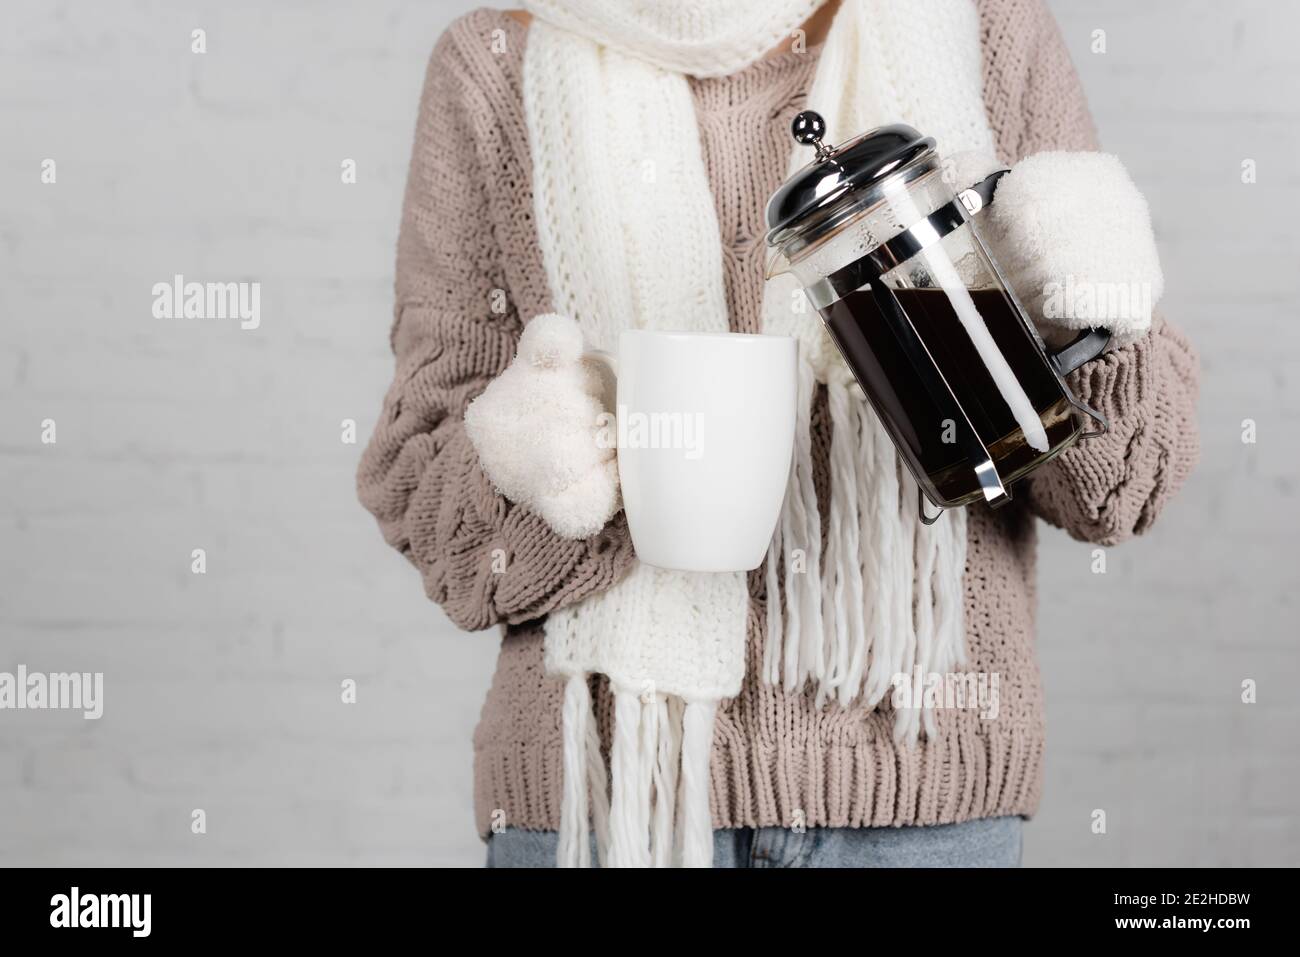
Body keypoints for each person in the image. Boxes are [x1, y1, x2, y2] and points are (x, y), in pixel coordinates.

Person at [357, 0, 1199, 868]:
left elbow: (1122, 486)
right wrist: (526, 466)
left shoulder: (985, 25)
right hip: (611, 810)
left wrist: (1075, 307)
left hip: (925, 806)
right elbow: (434, 517)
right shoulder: (493, 60)